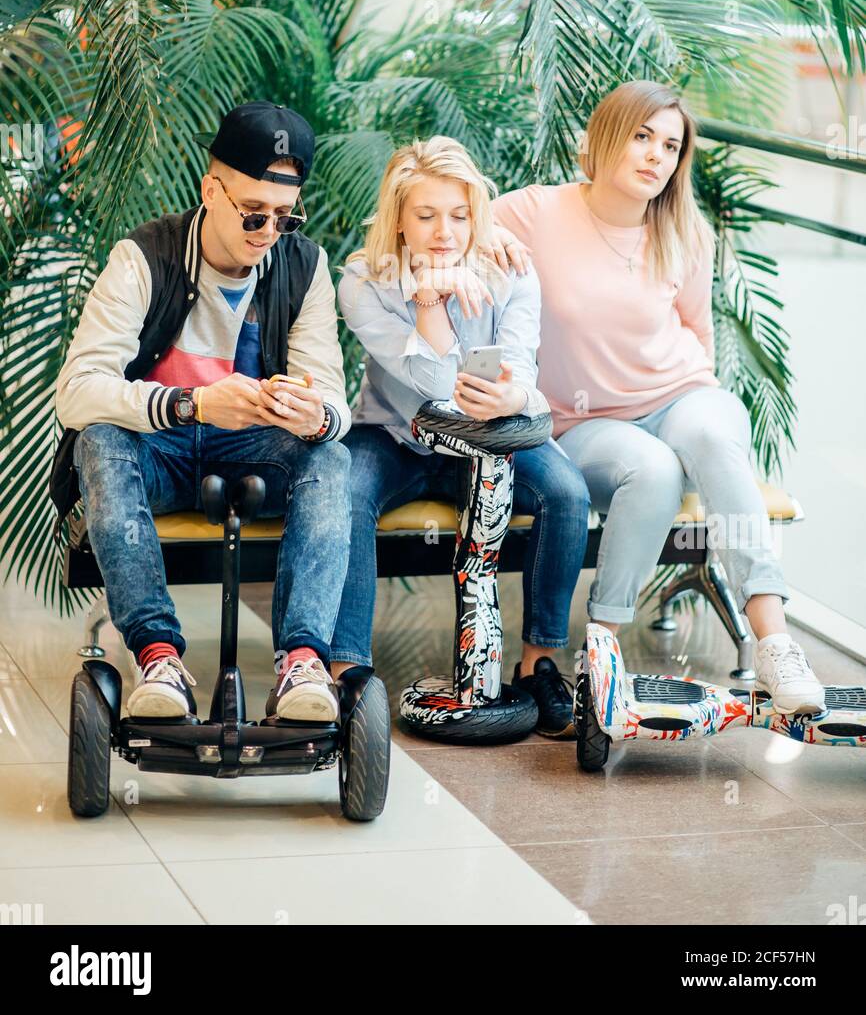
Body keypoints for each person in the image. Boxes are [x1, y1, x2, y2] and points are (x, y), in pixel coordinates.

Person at [490, 80, 825, 715]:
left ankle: (775, 640)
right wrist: (492, 241)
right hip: (584, 417)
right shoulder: (535, 213)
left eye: (670, 145)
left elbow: (697, 331)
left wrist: (685, 395)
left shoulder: (684, 232)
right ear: (607, 137)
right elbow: (453, 221)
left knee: (708, 437)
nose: (655, 156)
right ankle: (604, 646)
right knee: (652, 469)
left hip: (681, 394)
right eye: (642, 136)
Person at [50, 101, 353, 724]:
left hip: (253, 451)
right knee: (100, 437)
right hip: (156, 454)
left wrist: (311, 412)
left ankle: (301, 660)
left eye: (284, 218)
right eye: (253, 213)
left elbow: (335, 405)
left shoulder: (306, 267)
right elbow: (77, 391)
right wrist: (192, 403)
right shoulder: (142, 257)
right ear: (211, 190)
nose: (268, 231)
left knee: (331, 453)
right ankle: (158, 655)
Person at [329, 136, 591, 736]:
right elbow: (434, 382)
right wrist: (428, 299)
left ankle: (537, 663)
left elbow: (523, 371)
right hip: (396, 436)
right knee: (346, 494)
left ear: (479, 212)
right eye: (425, 216)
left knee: (567, 494)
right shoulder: (363, 282)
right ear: (398, 219)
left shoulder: (511, 270)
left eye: (460, 214)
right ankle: (347, 673)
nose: (444, 231)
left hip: (490, 438)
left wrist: (514, 398)